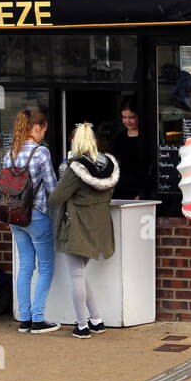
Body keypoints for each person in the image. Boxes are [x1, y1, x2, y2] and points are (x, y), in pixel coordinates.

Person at [49, 123, 119, 339]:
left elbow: (55, 198)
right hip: (100, 226)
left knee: (76, 275)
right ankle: (96, 320)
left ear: (75, 142)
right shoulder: (109, 165)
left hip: (78, 226)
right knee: (80, 274)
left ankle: (81, 325)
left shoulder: (74, 168)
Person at [5, 108, 60, 333]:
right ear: (36, 128)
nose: (44, 135)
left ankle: (24, 319)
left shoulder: (10, 153)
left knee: (26, 266)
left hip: (14, 216)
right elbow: (52, 188)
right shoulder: (41, 153)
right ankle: (38, 319)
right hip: (36, 215)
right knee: (46, 267)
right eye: (44, 130)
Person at [111, 98, 145, 199]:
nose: (127, 121)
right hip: (120, 190)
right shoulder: (119, 138)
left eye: (131, 117)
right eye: (124, 117)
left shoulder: (148, 138)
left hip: (140, 192)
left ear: (139, 116)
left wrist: (142, 193)